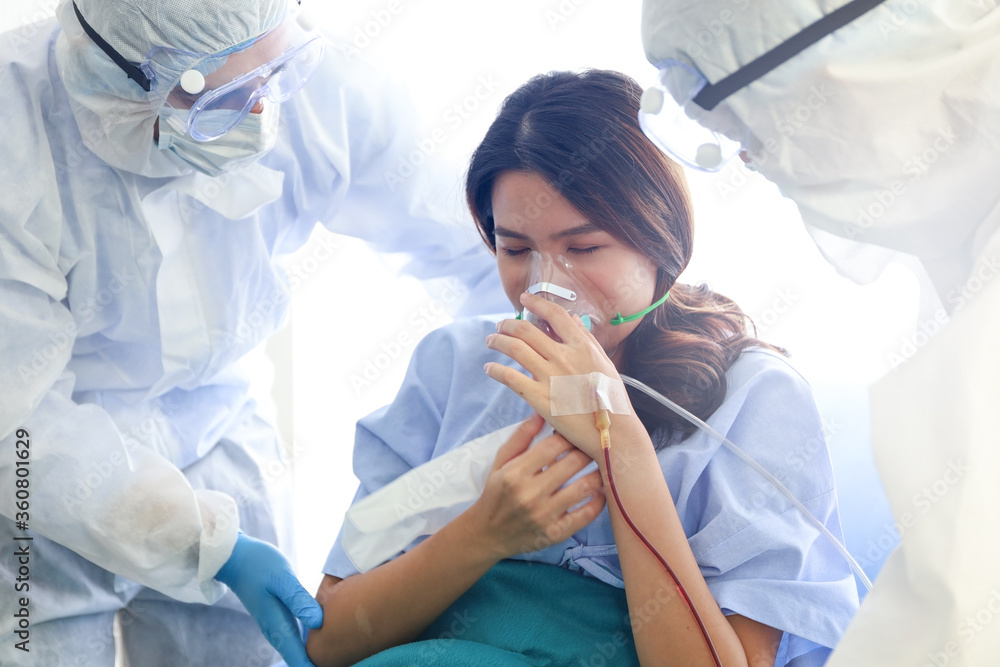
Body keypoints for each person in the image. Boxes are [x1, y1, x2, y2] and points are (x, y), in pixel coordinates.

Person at [0, 1, 508, 666]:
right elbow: (21, 416)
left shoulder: (322, 89)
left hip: (221, 440)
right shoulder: (16, 135)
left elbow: (483, 246)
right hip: (40, 488)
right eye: (231, 97)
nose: (264, 115)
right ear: (129, 81)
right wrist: (212, 545)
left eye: (275, 72)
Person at [306, 70, 859, 667]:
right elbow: (329, 641)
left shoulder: (753, 400)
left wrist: (622, 450)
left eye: (583, 247)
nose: (545, 283)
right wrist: (484, 532)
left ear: (661, 238)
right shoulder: (455, 372)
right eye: (515, 249)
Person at [637, 2, 1000, 664]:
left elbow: (961, 620)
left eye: (743, 121)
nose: (750, 158)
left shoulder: (757, 392)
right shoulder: (968, 242)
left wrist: (625, 463)